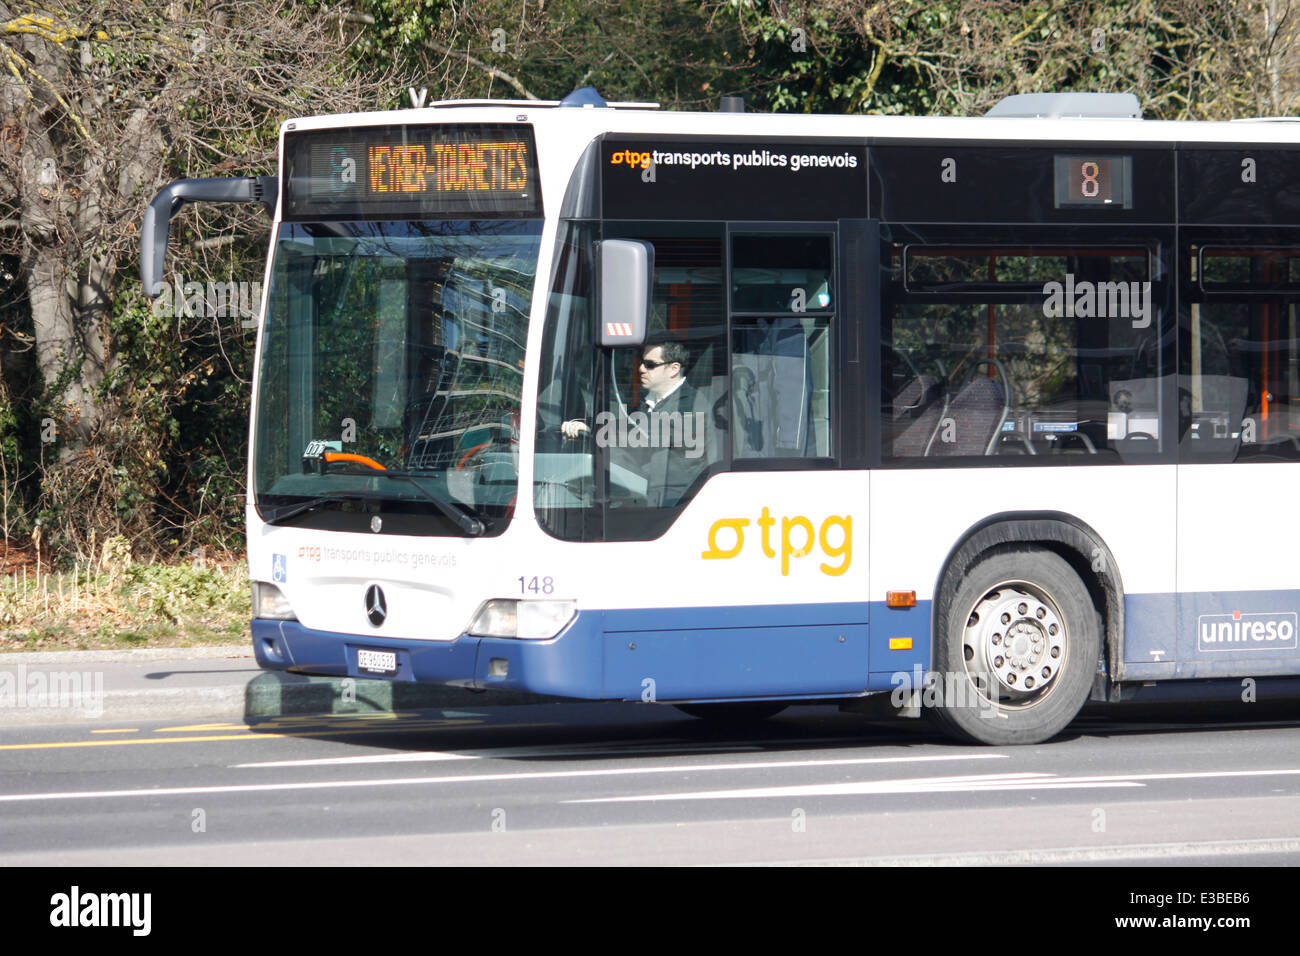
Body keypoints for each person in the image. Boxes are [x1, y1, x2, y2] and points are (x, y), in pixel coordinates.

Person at [561, 341, 705, 506]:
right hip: (644, 494)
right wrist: (587, 426)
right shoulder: (649, 402)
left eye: (650, 364)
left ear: (673, 369)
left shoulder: (691, 404)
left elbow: (642, 435)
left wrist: (593, 429)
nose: (641, 369)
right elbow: (629, 426)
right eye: (641, 362)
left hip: (672, 503)